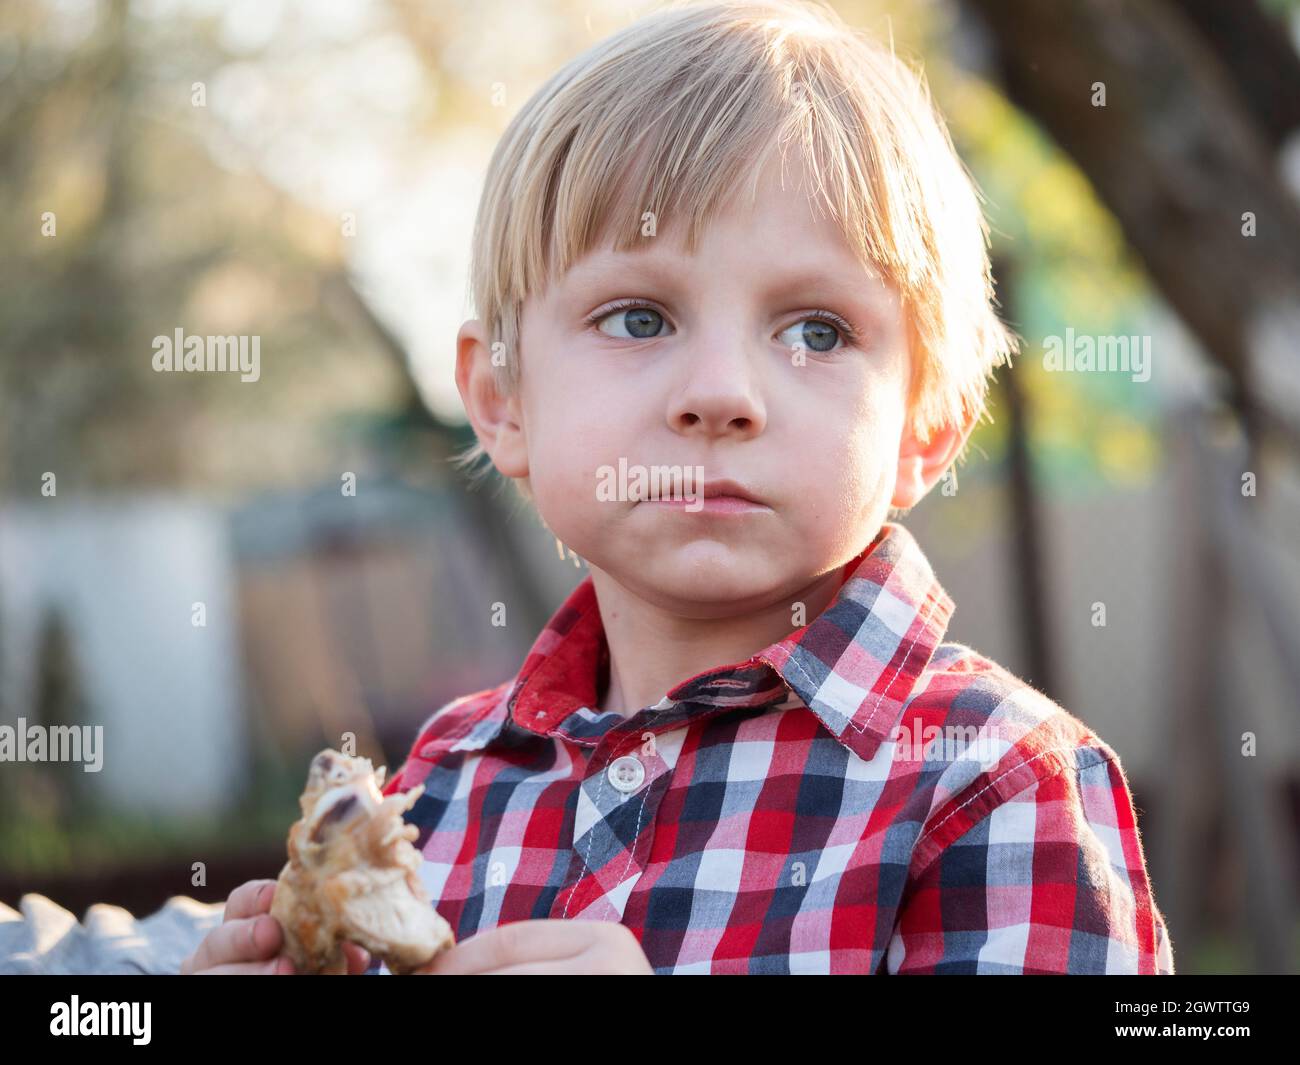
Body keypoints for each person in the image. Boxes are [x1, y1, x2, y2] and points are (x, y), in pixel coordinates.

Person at [185, 0, 1173, 975]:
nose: (719, 395)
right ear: (501, 399)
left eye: (815, 331)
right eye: (638, 318)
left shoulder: (994, 782)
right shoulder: (440, 789)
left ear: (926, 428)